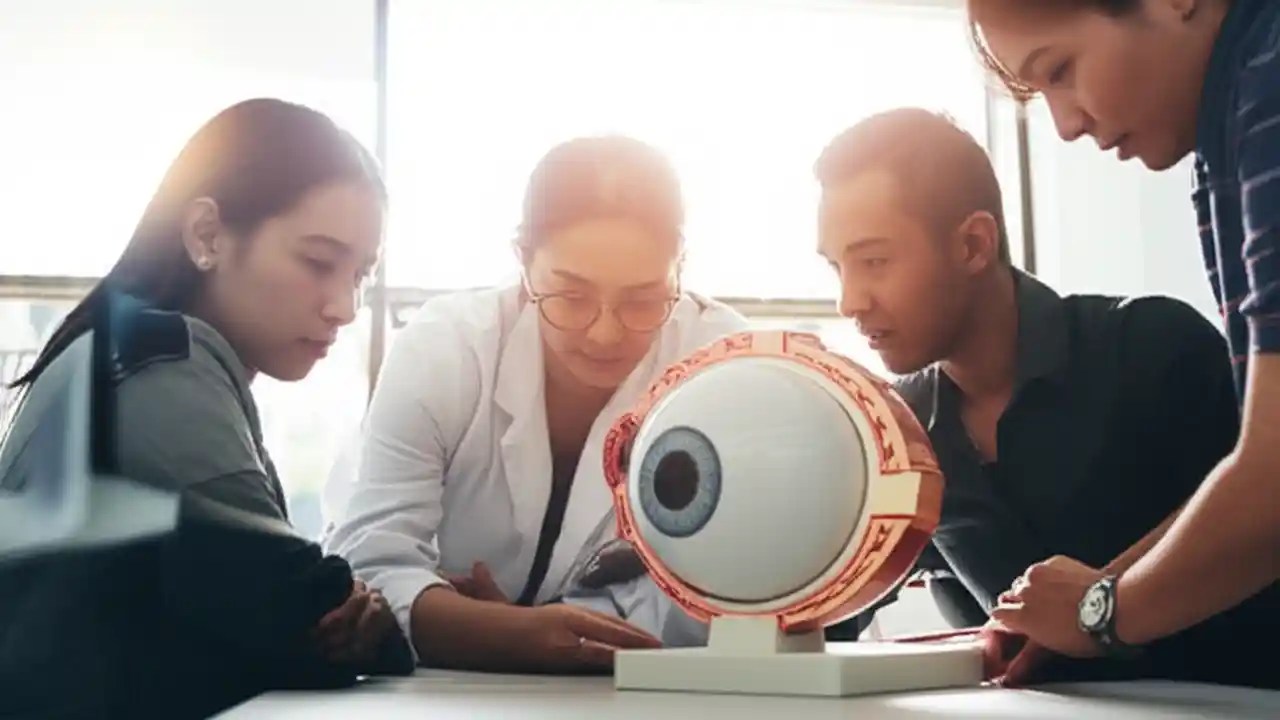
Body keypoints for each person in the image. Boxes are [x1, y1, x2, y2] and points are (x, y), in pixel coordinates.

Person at [813, 107, 1277, 686]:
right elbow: (831, 610)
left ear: (974, 245)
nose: (849, 301)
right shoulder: (895, 434)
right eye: (837, 268)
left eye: (874, 261)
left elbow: (1265, 507)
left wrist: (1104, 601)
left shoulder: (1156, 350)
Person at [0, 98, 414, 720]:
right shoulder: (159, 359)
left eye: (361, 275)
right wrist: (370, 626)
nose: (345, 307)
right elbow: (301, 606)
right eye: (319, 262)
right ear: (207, 235)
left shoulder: (126, 350)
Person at [322, 135, 749, 674]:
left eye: (643, 299)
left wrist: (503, 632)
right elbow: (372, 563)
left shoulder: (722, 361)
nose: (604, 332)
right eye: (572, 296)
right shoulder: (448, 347)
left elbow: (732, 591)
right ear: (523, 259)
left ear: (680, 268)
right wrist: (514, 635)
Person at [965, 0, 1280, 690]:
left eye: (1060, 71)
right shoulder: (1225, 126)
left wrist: (1100, 613)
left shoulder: (1270, 78)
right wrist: (1099, 597)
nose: (1066, 123)